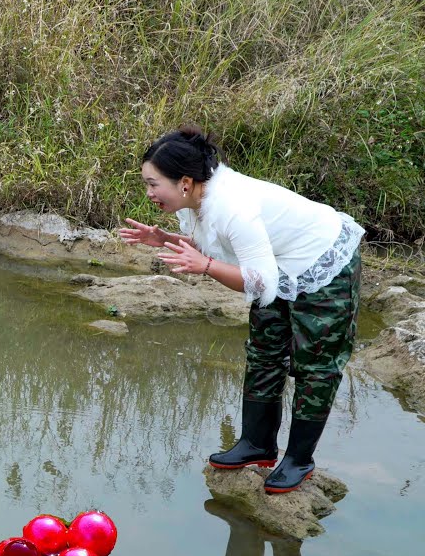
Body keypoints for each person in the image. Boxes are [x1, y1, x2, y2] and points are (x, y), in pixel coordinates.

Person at [120, 126, 363, 493]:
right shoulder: (199, 199)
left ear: (184, 182)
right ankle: (257, 444)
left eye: (153, 184)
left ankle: (299, 459)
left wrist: (205, 266)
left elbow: (260, 282)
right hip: (276, 262)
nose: (149, 193)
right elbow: (221, 245)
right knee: (264, 350)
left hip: (321, 259)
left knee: (316, 365)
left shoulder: (232, 206)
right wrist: (166, 239)